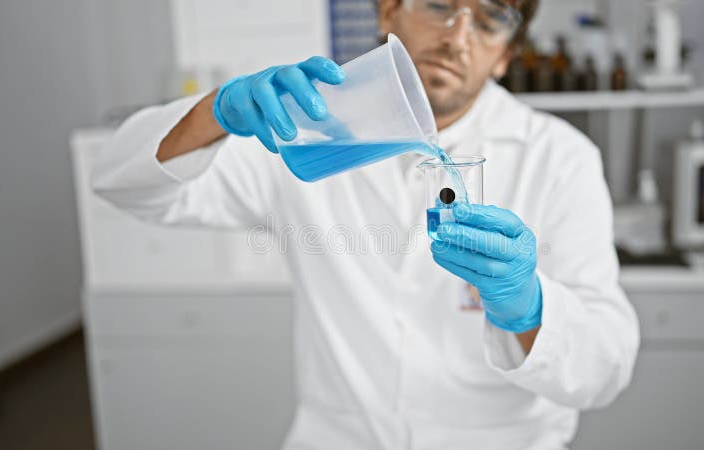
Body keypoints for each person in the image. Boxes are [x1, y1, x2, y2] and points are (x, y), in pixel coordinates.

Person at [91, 0, 640, 448]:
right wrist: (214, 113)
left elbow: (605, 369)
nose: (457, 36)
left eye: (492, 16)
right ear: (387, 12)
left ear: (504, 56)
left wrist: (529, 305)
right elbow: (123, 182)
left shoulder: (561, 158)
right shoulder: (303, 131)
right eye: (439, 4)